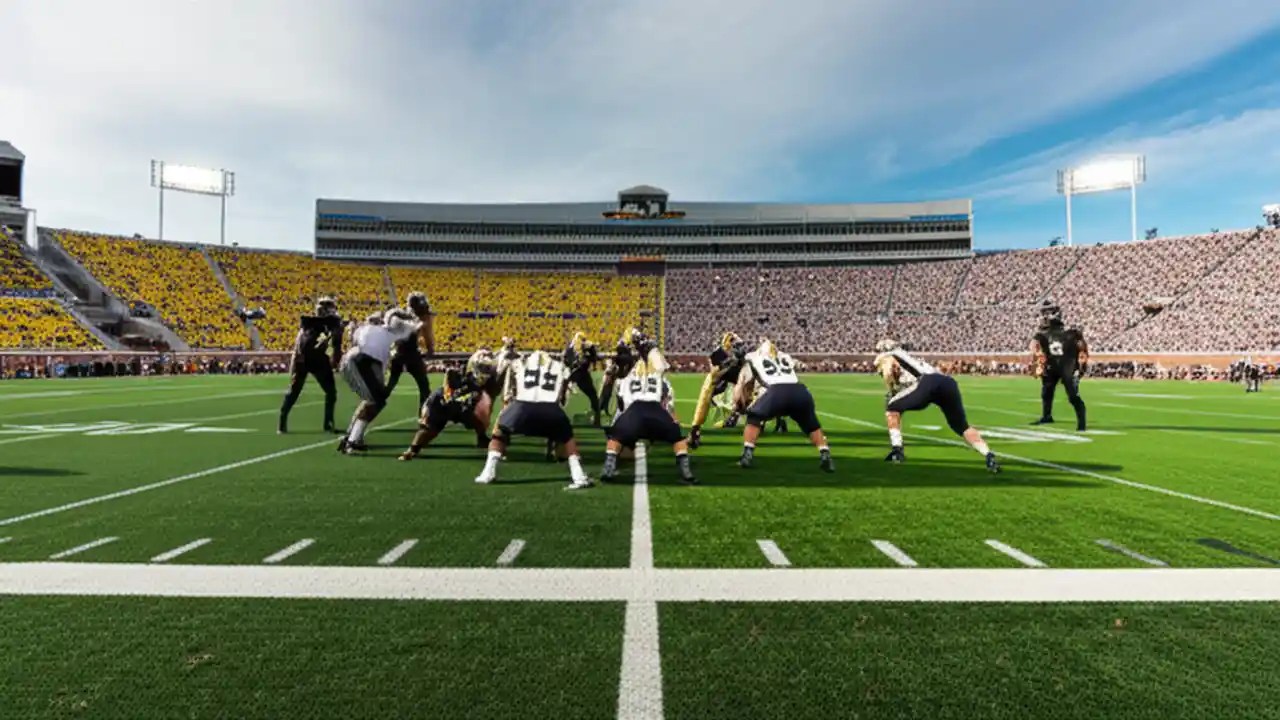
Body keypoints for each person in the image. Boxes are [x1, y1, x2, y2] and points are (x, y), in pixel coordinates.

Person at [874, 339, 1000, 473]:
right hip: (947, 383)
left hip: (927, 383)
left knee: (892, 407)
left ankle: (897, 450)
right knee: (961, 426)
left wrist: (892, 390)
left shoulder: (890, 356)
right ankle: (988, 455)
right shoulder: (908, 357)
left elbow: (889, 370)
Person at [474, 348, 593, 490]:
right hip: (550, 409)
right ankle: (578, 476)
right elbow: (562, 395)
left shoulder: (520, 363)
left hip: (521, 407)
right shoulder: (560, 366)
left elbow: (509, 382)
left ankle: (488, 472)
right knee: (568, 439)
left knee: (499, 434)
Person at [602, 343, 696, 484]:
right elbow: (668, 406)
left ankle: (608, 469)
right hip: (655, 409)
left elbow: (623, 405)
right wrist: (676, 427)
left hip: (634, 410)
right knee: (678, 439)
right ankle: (686, 472)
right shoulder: (661, 378)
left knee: (614, 438)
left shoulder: (626, 378)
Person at [734, 338, 832, 472]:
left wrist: (739, 404)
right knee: (812, 425)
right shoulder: (785, 356)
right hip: (801, 391)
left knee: (753, 419)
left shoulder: (752, 357)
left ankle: (747, 455)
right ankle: (825, 453)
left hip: (776, 392)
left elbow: (743, 384)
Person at [336, 311, 421, 454]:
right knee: (376, 401)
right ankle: (352, 442)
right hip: (362, 363)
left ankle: (351, 436)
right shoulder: (397, 332)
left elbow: (355, 339)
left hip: (352, 359)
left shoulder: (369, 328)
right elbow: (416, 327)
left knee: (371, 400)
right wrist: (413, 315)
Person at [278, 297, 342, 434]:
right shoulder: (325, 324)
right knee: (327, 392)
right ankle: (328, 423)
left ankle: (282, 422)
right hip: (312, 359)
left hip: (310, 359)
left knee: (296, 391)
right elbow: (335, 345)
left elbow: (300, 345)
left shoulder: (310, 323)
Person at [397, 367, 491, 460]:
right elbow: (429, 408)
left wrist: (472, 403)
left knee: (476, 420)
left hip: (459, 407)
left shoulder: (472, 386)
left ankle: (482, 439)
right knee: (429, 431)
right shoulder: (441, 393)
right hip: (441, 407)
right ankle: (412, 449)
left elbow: (478, 395)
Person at [1030, 301, 1089, 431]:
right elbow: (1037, 350)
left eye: (1046, 314)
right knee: (1047, 391)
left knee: (1072, 396)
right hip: (1055, 366)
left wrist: (1081, 367)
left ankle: (1081, 423)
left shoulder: (1069, 334)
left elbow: (1083, 351)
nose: (1043, 318)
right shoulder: (1044, 335)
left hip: (1065, 366)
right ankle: (1047, 416)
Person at [385, 292, 436, 407]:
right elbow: (429, 343)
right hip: (411, 355)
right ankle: (424, 419)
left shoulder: (399, 317)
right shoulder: (418, 321)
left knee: (388, 386)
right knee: (425, 390)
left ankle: (370, 406)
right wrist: (430, 350)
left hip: (397, 354)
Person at [562, 331, 603, 426]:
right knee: (593, 396)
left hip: (571, 375)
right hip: (581, 374)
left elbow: (565, 361)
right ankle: (597, 419)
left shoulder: (570, 348)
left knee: (563, 397)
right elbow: (592, 359)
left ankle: (561, 419)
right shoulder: (585, 347)